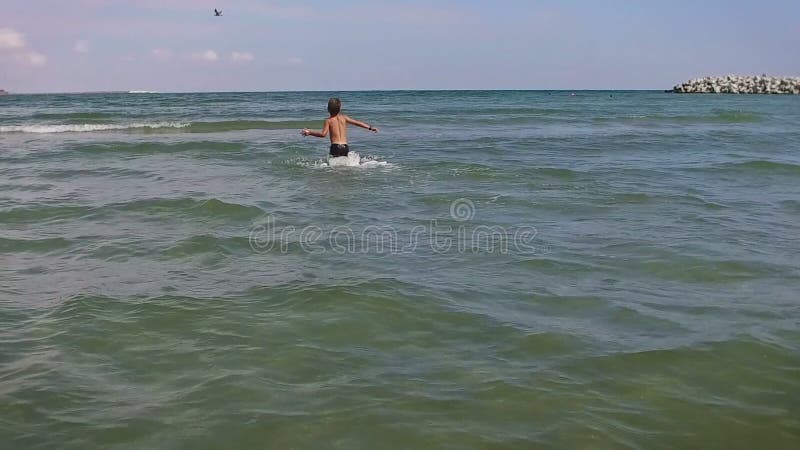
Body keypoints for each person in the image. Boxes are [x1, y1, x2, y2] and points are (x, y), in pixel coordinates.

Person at [302, 98, 378, 157]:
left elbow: (323, 134)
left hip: (335, 147)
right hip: (345, 147)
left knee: (334, 169)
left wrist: (310, 132)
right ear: (340, 109)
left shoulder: (328, 120)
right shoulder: (344, 118)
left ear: (328, 109)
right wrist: (370, 127)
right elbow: (357, 123)